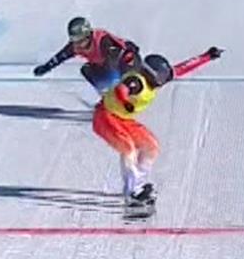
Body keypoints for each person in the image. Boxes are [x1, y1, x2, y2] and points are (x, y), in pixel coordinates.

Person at [92, 47, 223, 213]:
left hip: (123, 119)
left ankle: (139, 183)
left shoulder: (155, 80)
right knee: (128, 148)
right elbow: (122, 90)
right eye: (160, 76)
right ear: (150, 73)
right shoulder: (137, 80)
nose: (163, 79)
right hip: (105, 116)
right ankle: (132, 192)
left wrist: (206, 57)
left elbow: (181, 69)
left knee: (150, 146)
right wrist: (126, 102)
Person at [33, 16, 143, 98]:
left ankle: (129, 93)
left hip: (128, 62)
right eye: (75, 40)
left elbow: (114, 62)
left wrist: (117, 89)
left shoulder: (102, 41)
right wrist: (45, 68)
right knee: (86, 69)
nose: (78, 44)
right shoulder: (75, 47)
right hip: (108, 67)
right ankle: (108, 96)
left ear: (88, 35)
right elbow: (60, 57)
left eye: (80, 40)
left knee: (113, 67)